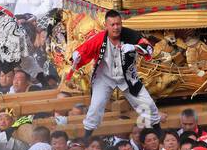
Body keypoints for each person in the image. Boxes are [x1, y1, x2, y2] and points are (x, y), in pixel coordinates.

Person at [68, 9, 160, 140]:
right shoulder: (99, 38)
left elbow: (148, 47)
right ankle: (87, 136)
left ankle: (158, 131)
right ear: (106, 25)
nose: (116, 28)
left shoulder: (131, 35)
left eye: (118, 24)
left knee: (148, 104)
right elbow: (84, 50)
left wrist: (134, 47)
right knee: (95, 107)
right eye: (113, 25)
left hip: (127, 76)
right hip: (104, 77)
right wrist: (76, 55)